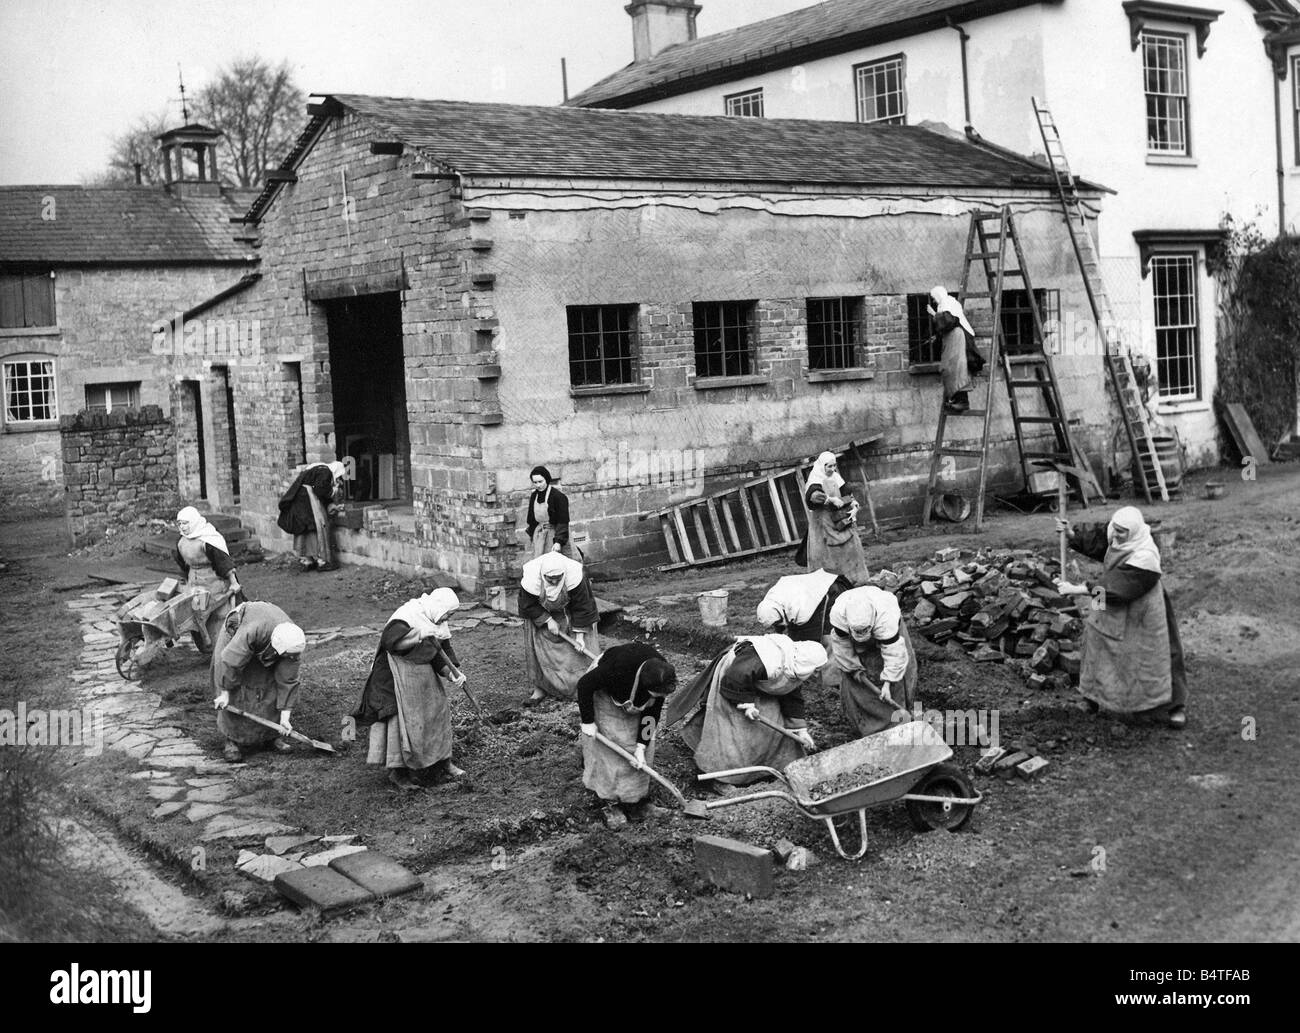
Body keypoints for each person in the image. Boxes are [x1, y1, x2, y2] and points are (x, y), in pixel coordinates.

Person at [1055, 506, 1188, 729]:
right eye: (1114, 529)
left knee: (1157, 652)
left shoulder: (1146, 555)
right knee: (1096, 640)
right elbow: (1101, 544)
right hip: (1108, 596)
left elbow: (1119, 588)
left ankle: (1175, 706)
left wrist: (1077, 589)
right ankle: (1092, 699)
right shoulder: (1115, 532)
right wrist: (1071, 535)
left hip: (1141, 604)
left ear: (1134, 532)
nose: (1115, 535)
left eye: (1121, 532)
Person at [667, 634, 826, 786]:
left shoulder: (795, 668)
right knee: (734, 733)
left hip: (759, 685)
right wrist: (747, 705)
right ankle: (722, 778)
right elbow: (735, 679)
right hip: (733, 683)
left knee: (772, 727)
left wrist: (801, 731)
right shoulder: (765, 659)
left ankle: (770, 769)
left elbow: (791, 696)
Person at [355, 588, 468, 791]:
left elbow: (441, 653)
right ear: (438, 606)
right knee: (401, 721)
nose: (449, 618)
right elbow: (390, 643)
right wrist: (418, 634)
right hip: (394, 677)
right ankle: (400, 773)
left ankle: (444, 763)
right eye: (448, 613)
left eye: (451, 615)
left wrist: (453, 674)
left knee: (437, 712)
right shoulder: (406, 616)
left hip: (422, 675)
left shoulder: (437, 620)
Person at [576, 643, 678, 827]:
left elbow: (652, 713)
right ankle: (610, 803)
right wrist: (588, 722)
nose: (657, 697)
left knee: (643, 753)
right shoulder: (616, 670)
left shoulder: (662, 674)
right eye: (655, 694)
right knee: (610, 750)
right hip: (604, 695)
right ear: (647, 685)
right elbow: (584, 685)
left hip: (635, 695)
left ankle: (638, 802)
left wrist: (640, 746)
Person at [212, 601, 306, 763]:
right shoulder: (252, 631)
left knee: (270, 686)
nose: (292, 658)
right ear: (276, 648)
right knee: (237, 687)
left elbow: (288, 680)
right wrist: (225, 693)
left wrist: (285, 717)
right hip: (237, 631)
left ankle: (271, 736)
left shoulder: (292, 642)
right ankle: (232, 740)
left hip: (271, 641)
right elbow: (230, 662)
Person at [827, 585, 919, 737]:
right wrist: (854, 669)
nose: (861, 634)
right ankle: (866, 725)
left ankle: (897, 723)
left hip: (887, 632)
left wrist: (888, 684)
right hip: (852, 634)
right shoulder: (839, 616)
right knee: (857, 682)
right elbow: (841, 646)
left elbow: (894, 654)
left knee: (896, 681)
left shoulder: (887, 618)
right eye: (857, 631)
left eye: (864, 631)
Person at [518, 551, 600, 705]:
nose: (555, 582)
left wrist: (580, 638)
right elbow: (527, 605)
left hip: (572, 617)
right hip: (541, 619)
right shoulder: (531, 578)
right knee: (540, 654)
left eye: (558, 578)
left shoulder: (575, 577)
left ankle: (581, 688)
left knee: (578, 655)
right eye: (550, 579)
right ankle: (541, 688)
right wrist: (547, 619)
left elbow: (583, 606)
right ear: (543, 575)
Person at [173, 506, 242, 650]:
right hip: (195, 585)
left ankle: (222, 645)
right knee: (198, 614)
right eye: (180, 524)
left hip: (214, 582)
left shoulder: (209, 540)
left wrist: (233, 582)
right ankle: (205, 645)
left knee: (219, 614)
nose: (183, 527)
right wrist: (187, 580)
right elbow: (182, 564)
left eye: (186, 523)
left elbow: (223, 562)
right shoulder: (181, 542)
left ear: (194, 522)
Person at [800, 451, 870, 584]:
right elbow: (813, 496)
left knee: (851, 549)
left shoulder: (836, 477)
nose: (832, 469)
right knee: (828, 556)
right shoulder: (815, 479)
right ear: (822, 466)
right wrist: (830, 499)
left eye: (834, 466)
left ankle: (854, 580)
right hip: (823, 524)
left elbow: (847, 494)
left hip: (841, 520)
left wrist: (854, 505)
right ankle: (832, 585)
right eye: (829, 466)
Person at [277, 460, 346, 571]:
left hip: (302, 501)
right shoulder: (326, 472)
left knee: (304, 529)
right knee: (316, 527)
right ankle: (321, 561)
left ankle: (307, 560)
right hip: (308, 501)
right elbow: (319, 490)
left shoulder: (319, 468)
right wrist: (333, 492)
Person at [928, 285, 975, 414]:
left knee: (957, 369)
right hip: (951, 339)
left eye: (933, 297)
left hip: (958, 339)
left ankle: (962, 401)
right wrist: (937, 337)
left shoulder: (948, 302)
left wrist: (934, 314)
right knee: (948, 369)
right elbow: (946, 326)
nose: (933, 300)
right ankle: (955, 400)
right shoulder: (943, 304)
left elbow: (949, 321)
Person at [523, 465, 573, 559]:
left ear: (546, 479)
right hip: (540, 535)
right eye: (535, 482)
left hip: (555, 534)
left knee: (556, 564)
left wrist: (558, 542)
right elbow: (532, 519)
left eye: (540, 481)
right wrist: (532, 536)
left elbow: (562, 521)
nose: (538, 485)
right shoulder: (534, 496)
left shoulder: (558, 497)